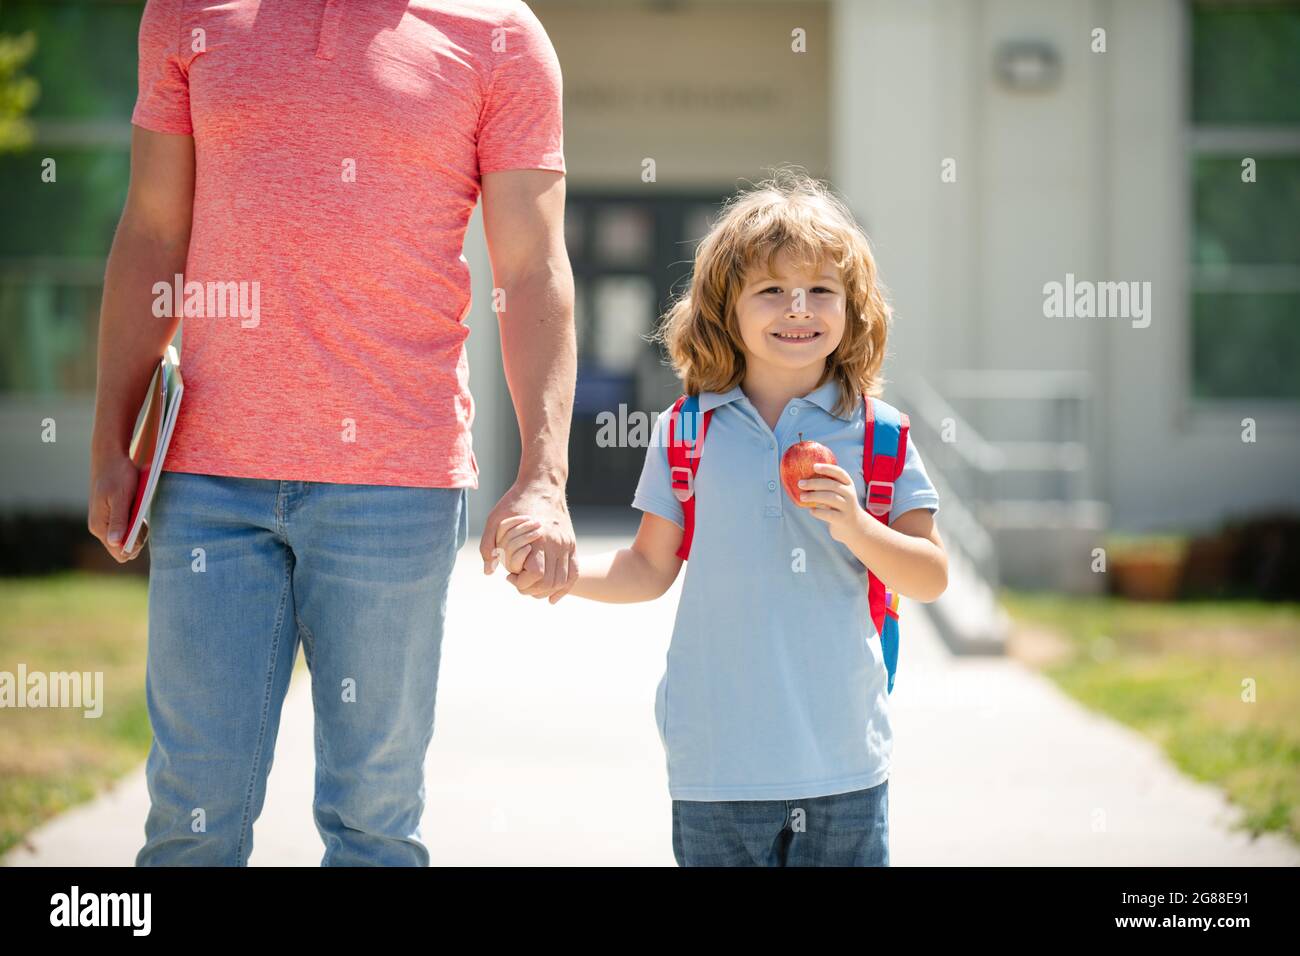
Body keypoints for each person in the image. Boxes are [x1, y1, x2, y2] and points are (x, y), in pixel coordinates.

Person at [86, 0, 578, 866]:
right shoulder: (188, 14)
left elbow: (532, 267)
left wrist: (544, 472)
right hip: (207, 478)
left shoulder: (498, 35)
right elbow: (152, 232)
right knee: (189, 820)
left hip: (397, 484)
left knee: (373, 826)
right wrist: (109, 441)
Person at [496, 170, 949, 866]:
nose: (798, 308)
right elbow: (648, 568)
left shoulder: (880, 435)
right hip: (715, 768)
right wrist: (563, 575)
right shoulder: (688, 432)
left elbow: (930, 576)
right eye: (771, 290)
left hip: (844, 764)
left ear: (853, 308)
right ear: (724, 311)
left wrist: (858, 525)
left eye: (821, 290)